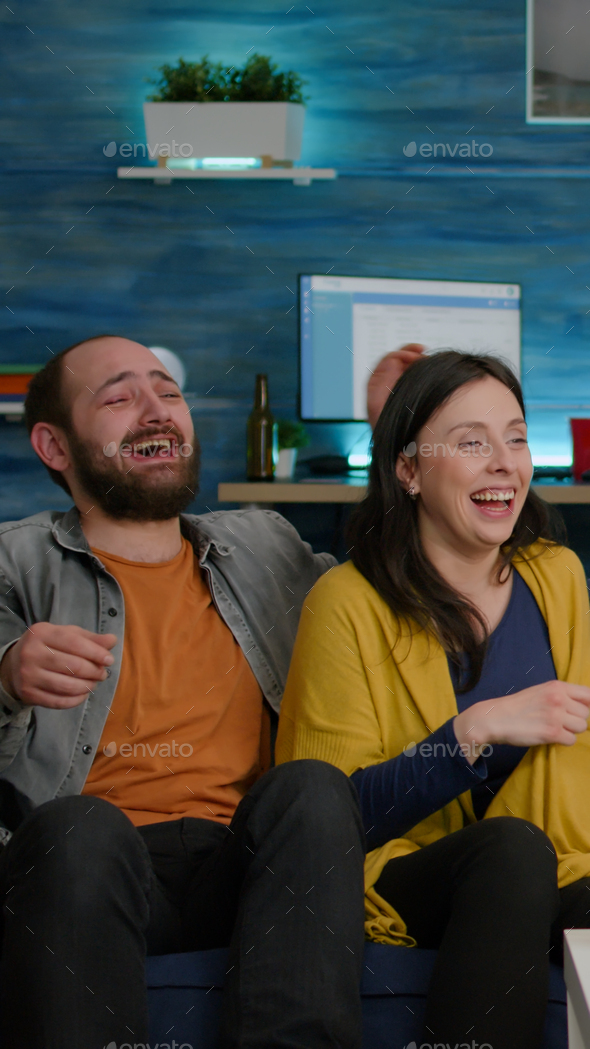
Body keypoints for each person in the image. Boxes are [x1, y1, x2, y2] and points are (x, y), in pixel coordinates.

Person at [0, 335, 368, 1049]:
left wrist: (407, 436)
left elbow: (388, 594)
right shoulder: (14, 560)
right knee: (80, 826)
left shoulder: (267, 543)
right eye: (119, 397)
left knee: (314, 790)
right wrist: (8, 669)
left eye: (167, 392)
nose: (156, 410)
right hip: (100, 869)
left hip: (251, 868)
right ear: (54, 444)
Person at [276, 349, 590, 1049]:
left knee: (543, 863)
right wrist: (470, 732)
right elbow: (329, 818)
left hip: (564, 864)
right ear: (409, 469)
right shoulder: (346, 604)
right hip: (406, 874)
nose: (504, 462)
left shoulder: (560, 576)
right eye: (472, 442)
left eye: (515, 436)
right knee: (512, 851)